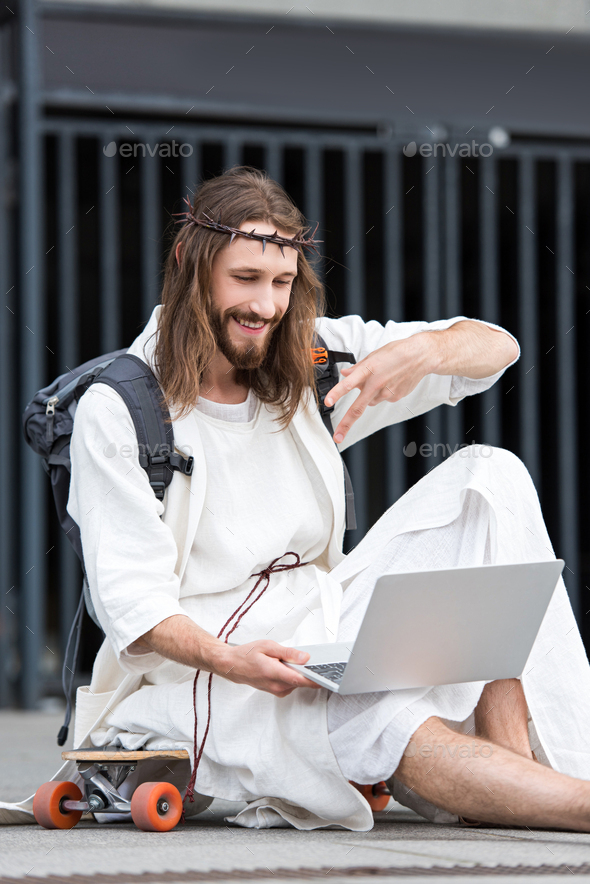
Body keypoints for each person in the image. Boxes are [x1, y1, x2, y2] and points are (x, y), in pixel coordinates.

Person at [2, 164, 590, 831]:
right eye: (246, 279)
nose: (265, 306)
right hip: (208, 660)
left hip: (325, 616)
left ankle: (537, 775)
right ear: (189, 264)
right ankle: (568, 801)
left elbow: (497, 349)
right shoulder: (122, 407)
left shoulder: (311, 360)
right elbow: (133, 606)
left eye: (281, 283)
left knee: (491, 475)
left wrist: (424, 350)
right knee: (376, 710)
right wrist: (235, 661)